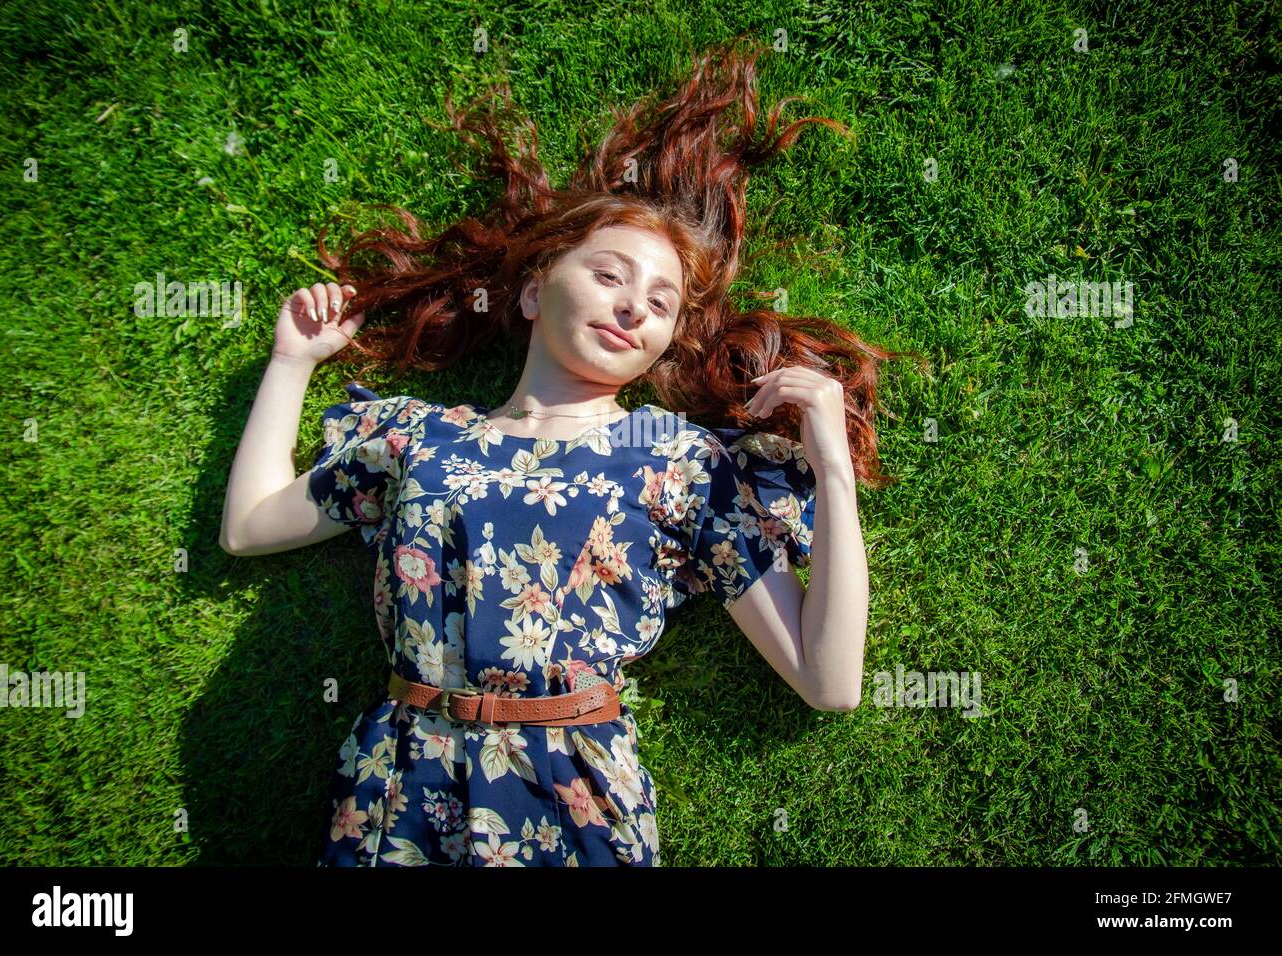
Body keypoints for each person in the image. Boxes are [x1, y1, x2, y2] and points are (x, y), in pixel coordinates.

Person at [219, 36, 917, 866]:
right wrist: (291, 364)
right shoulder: (418, 438)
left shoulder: (679, 462)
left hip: (574, 805)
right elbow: (250, 528)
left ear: (662, 345)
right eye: (611, 276)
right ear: (530, 286)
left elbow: (828, 681)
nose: (633, 309)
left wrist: (831, 460)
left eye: (658, 303)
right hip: (396, 794)